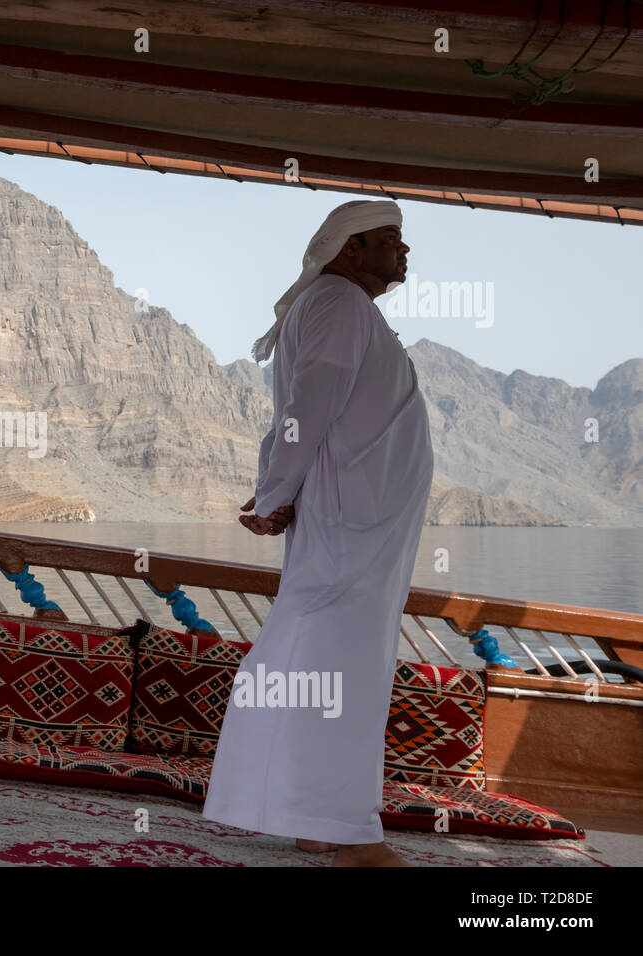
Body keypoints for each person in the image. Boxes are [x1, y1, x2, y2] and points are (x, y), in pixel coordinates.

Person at [202, 200, 433, 867]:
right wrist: (276, 493)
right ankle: (347, 835)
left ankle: (316, 820)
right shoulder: (338, 300)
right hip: (349, 526)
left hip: (358, 524)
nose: (405, 251)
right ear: (351, 249)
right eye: (392, 239)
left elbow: (311, 409)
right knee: (341, 669)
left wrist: (279, 488)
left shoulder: (344, 306)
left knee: (323, 664)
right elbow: (312, 405)